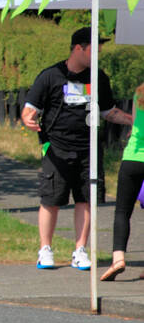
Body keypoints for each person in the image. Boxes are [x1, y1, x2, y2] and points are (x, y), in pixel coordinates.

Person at [21, 27, 132, 270]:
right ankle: (45, 249)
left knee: (86, 199)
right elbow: (30, 108)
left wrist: (134, 120)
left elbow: (108, 111)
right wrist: (28, 118)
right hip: (56, 149)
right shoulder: (51, 76)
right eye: (95, 50)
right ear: (79, 49)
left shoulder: (99, 78)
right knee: (51, 199)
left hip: (89, 149)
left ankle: (80, 250)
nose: (98, 55)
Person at [103, 81, 144, 281]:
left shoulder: (139, 93)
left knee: (122, 210)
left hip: (132, 158)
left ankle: (118, 258)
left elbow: (135, 123)